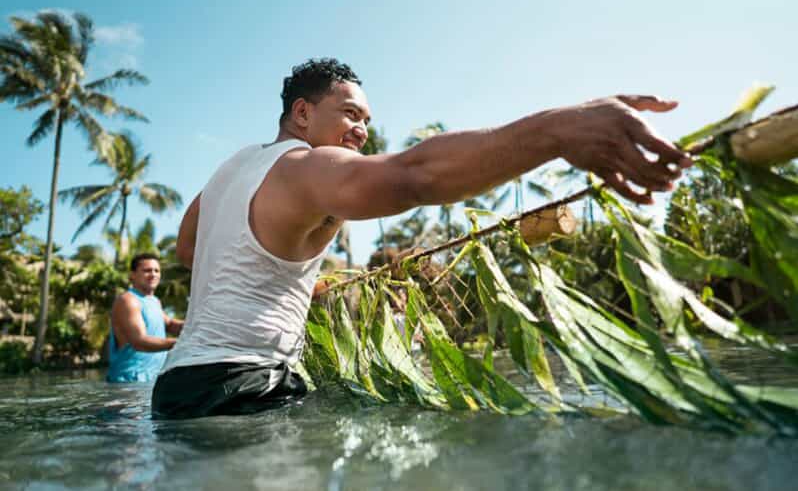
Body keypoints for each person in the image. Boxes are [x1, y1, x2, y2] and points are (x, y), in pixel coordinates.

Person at [151, 58, 692, 419]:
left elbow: (190, 251)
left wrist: (289, 278)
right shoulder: (307, 168)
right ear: (302, 112)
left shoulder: (230, 169)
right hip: (246, 390)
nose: (362, 130)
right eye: (350, 114)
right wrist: (556, 131)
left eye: (366, 119)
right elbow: (414, 176)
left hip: (176, 391)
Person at [107, 253, 184, 383]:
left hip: (154, 378)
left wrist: (201, 325)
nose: (153, 274)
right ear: (132, 275)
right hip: (130, 382)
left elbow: (170, 324)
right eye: (147, 270)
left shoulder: (154, 301)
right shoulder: (128, 300)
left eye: (157, 271)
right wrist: (184, 342)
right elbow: (139, 341)